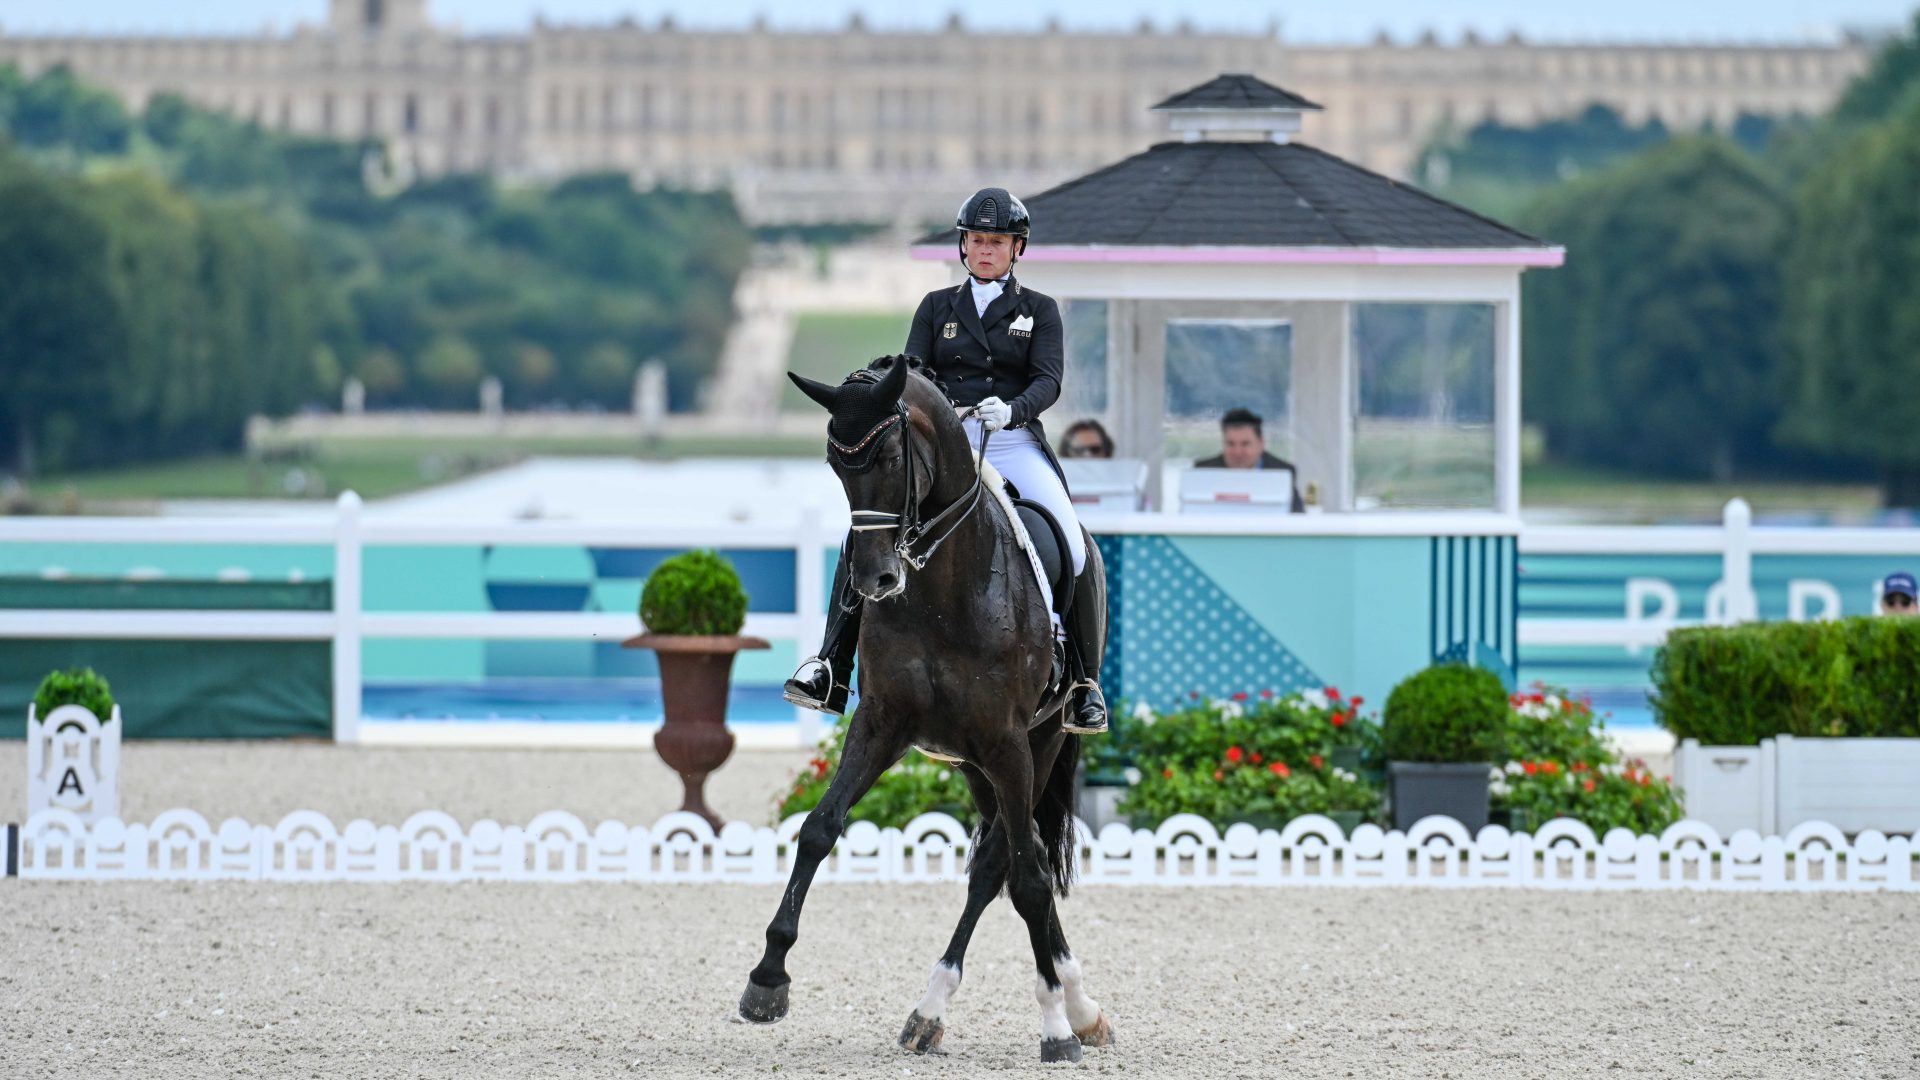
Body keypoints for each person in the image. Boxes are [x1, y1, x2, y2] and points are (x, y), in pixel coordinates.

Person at [784, 186, 1109, 735]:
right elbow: (912, 371)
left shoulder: (1039, 310)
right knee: (862, 533)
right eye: (977, 240)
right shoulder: (937, 307)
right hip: (946, 443)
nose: (985, 250)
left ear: (1016, 248)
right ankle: (830, 666)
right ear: (964, 246)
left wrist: (1012, 409)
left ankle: (1083, 682)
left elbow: (1048, 380)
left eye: (996, 242)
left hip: (1012, 440)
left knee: (1072, 543)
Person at [1192, 407, 1305, 512]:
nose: (1238, 452)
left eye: (1245, 444)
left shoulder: (1282, 472)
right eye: (1231, 444)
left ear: (1261, 444)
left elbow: (1297, 517)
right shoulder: (1203, 472)